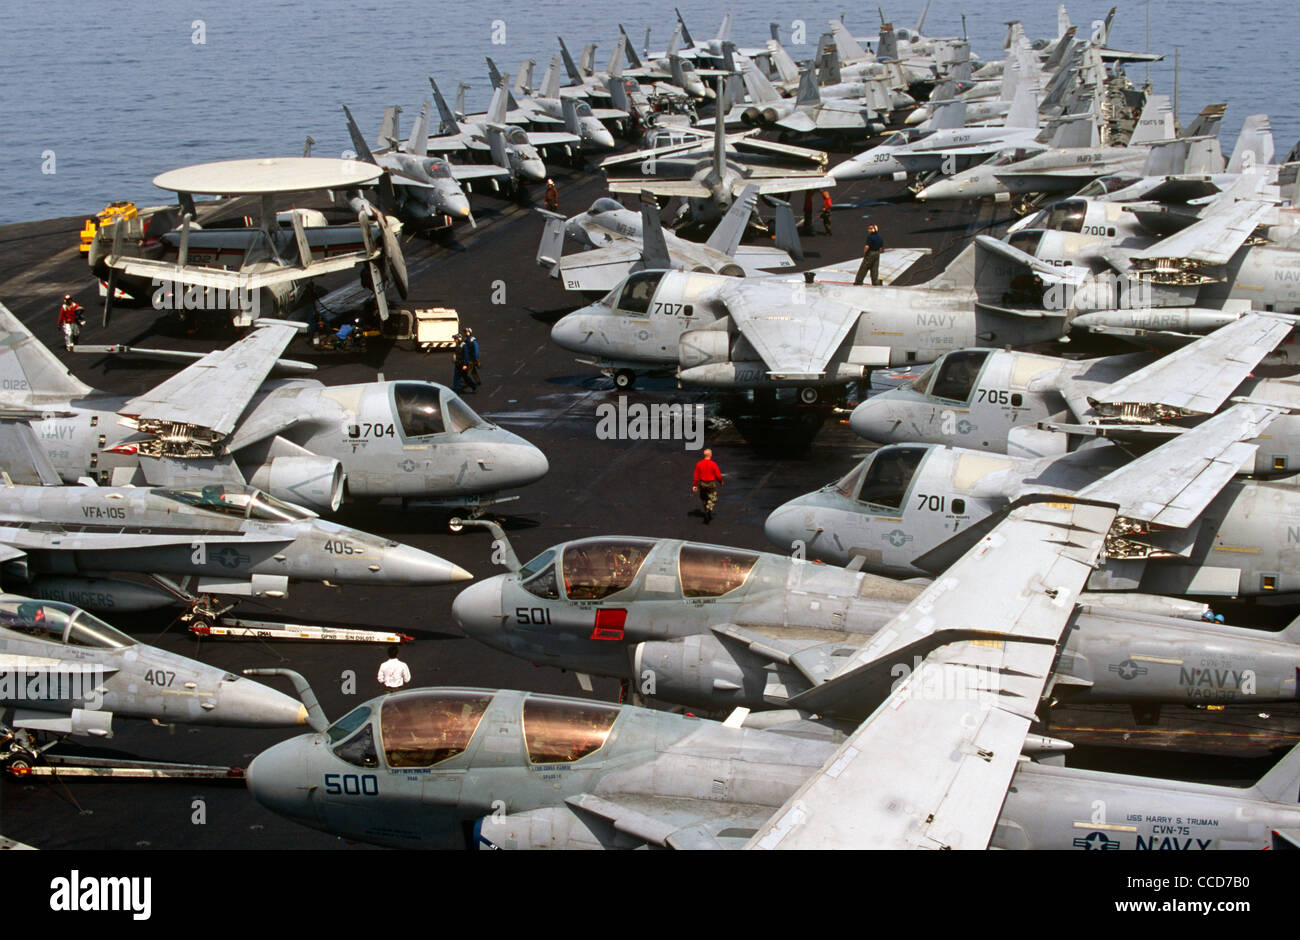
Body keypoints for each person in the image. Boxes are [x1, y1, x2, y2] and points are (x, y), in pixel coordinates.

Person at [692, 448, 723, 523]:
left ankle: (706, 512)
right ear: (710, 455)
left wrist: (694, 485)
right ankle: (709, 509)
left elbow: (696, 476)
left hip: (702, 483)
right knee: (713, 498)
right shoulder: (713, 464)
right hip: (711, 484)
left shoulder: (699, 464)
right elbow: (718, 475)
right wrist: (721, 481)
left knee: (704, 498)